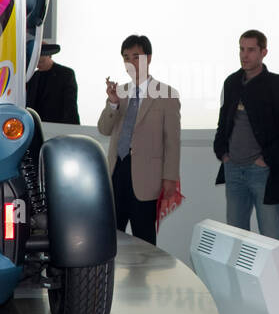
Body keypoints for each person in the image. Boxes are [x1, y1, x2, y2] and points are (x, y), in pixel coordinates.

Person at [214, 29, 279, 240]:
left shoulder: (276, 85)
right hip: (233, 170)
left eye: (251, 50)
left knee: (270, 237)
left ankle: (272, 275)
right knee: (235, 237)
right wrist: (222, 152)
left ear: (264, 52)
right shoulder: (231, 83)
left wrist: (266, 159)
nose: (244, 55)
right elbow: (223, 122)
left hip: (263, 173)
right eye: (241, 49)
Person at [97, 35, 180, 246]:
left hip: (147, 176)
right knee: (111, 237)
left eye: (136, 56)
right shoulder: (119, 92)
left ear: (148, 58)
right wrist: (113, 104)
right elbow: (104, 129)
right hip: (117, 172)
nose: (130, 62)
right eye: (126, 57)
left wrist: (170, 177)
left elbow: (172, 141)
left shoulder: (167, 94)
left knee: (144, 239)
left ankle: (144, 279)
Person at [25, 41, 79, 124]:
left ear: (49, 55)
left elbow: (70, 104)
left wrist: (70, 127)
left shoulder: (65, 74)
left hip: (60, 126)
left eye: (40, 62)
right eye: (35, 63)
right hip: (38, 126)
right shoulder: (32, 77)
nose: (38, 66)